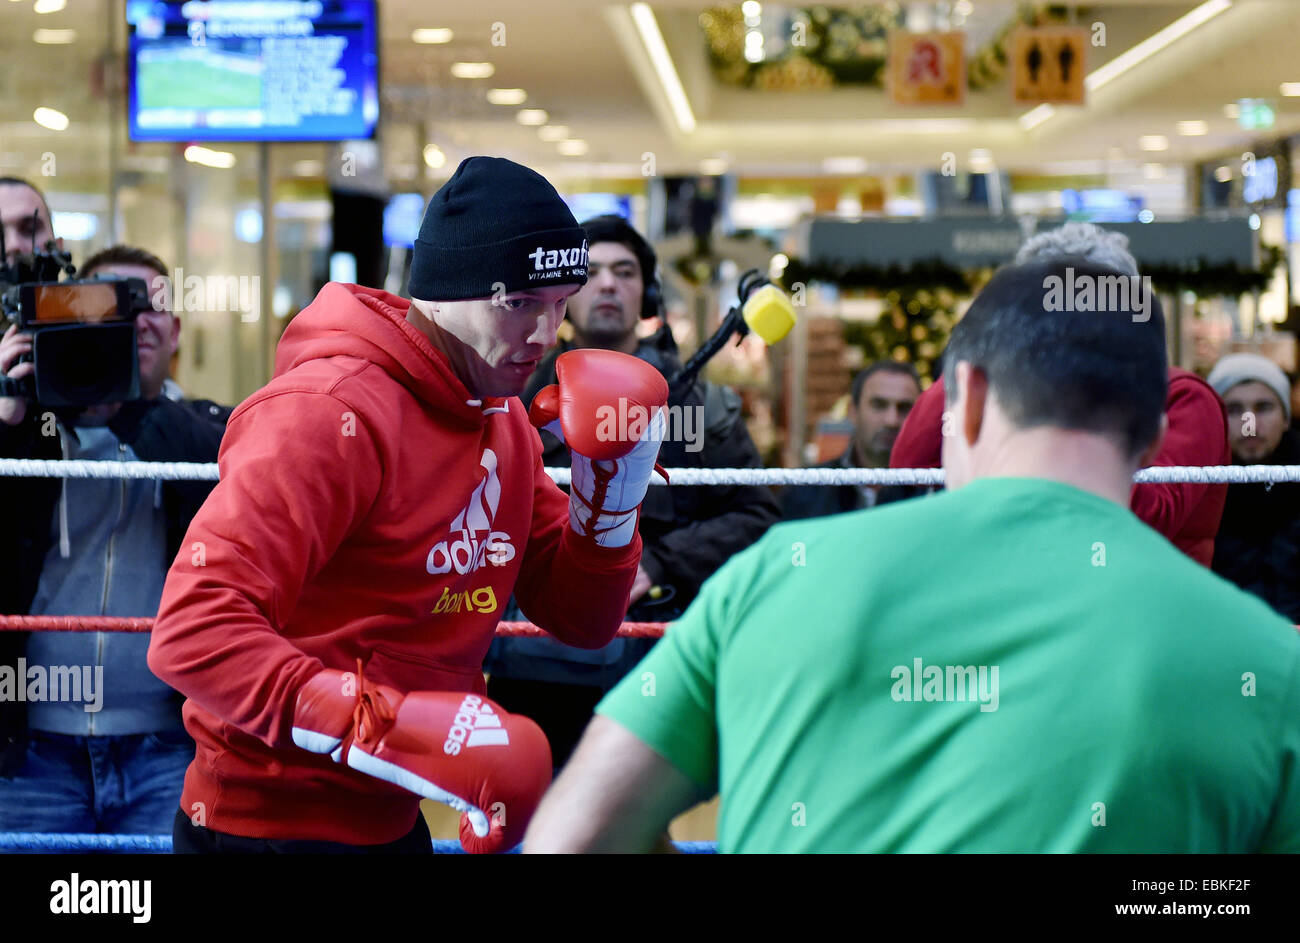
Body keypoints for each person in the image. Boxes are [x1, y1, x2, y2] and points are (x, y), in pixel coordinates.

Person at [524, 258, 1300, 853]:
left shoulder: (776, 578)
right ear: (1160, 438)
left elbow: (574, 834)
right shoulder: (1268, 663)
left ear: (962, 398)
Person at [146, 157, 669, 854]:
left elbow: (582, 618)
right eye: (518, 304)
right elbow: (192, 628)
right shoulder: (328, 413)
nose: (546, 335)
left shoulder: (502, 419)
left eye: (559, 302)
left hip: (392, 819)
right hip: (263, 825)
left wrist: (613, 496)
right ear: (445, 291)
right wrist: (389, 726)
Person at [483, 214, 779, 768]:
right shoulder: (514, 392)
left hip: (651, 656)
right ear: (566, 291)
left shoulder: (693, 404)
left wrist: (660, 562)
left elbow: (756, 512)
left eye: (625, 272)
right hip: (536, 657)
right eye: (590, 272)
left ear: (647, 292)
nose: (609, 284)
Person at [0, 234, 230, 835]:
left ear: (175, 331)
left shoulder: (205, 430)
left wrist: (128, 397)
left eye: (148, 306)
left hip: (167, 745)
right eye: (115, 306)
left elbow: (213, 478)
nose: (135, 321)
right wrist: (7, 421)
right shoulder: (31, 431)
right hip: (30, 751)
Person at [890, 222, 1230, 566]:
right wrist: (986, 352)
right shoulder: (1007, 383)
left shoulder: (1183, 396)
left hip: (1141, 607)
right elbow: (908, 465)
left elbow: (1145, 517)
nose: (1066, 328)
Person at [1208, 353, 1300, 622]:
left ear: (1286, 417)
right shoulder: (1196, 492)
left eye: (1263, 407)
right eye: (1234, 410)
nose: (1250, 424)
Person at [781, 361, 920, 520]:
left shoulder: (935, 491)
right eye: (879, 405)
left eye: (904, 408)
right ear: (852, 412)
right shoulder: (804, 491)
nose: (891, 420)